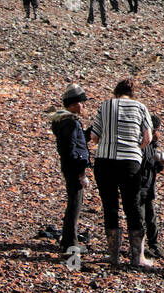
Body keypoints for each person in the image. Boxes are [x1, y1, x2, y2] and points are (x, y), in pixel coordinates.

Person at [86, 79, 153, 268]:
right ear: (132, 94)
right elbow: (147, 137)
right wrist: (135, 148)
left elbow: (94, 136)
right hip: (130, 162)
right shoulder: (140, 107)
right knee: (132, 206)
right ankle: (137, 257)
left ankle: (113, 255)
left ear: (115, 92)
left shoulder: (105, 105)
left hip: (104, 161)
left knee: (110, 206)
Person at [50, 85, 92, 254]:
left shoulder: (63, 120)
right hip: (73, 168)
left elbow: (78, 140)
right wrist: (82, 173)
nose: (84, 106)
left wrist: (92, 132)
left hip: (68, 167)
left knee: (74, 203)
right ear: (74, 104)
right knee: (75, 204)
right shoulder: (71, 122)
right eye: (82, 103)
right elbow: (72, 150)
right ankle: (70, 243)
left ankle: (68, 240)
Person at [137, 113, 164, 259]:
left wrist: (160, 164)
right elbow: (142, 164)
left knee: (151, 217)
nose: (159, 134)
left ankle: (153, 245)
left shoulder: (151, 145)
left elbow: (153, 168)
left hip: (148, 186)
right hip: (140, 186)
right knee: (141, 218)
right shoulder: (142, 144)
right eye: (158, 130)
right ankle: (141, 247)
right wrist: (155, 160)